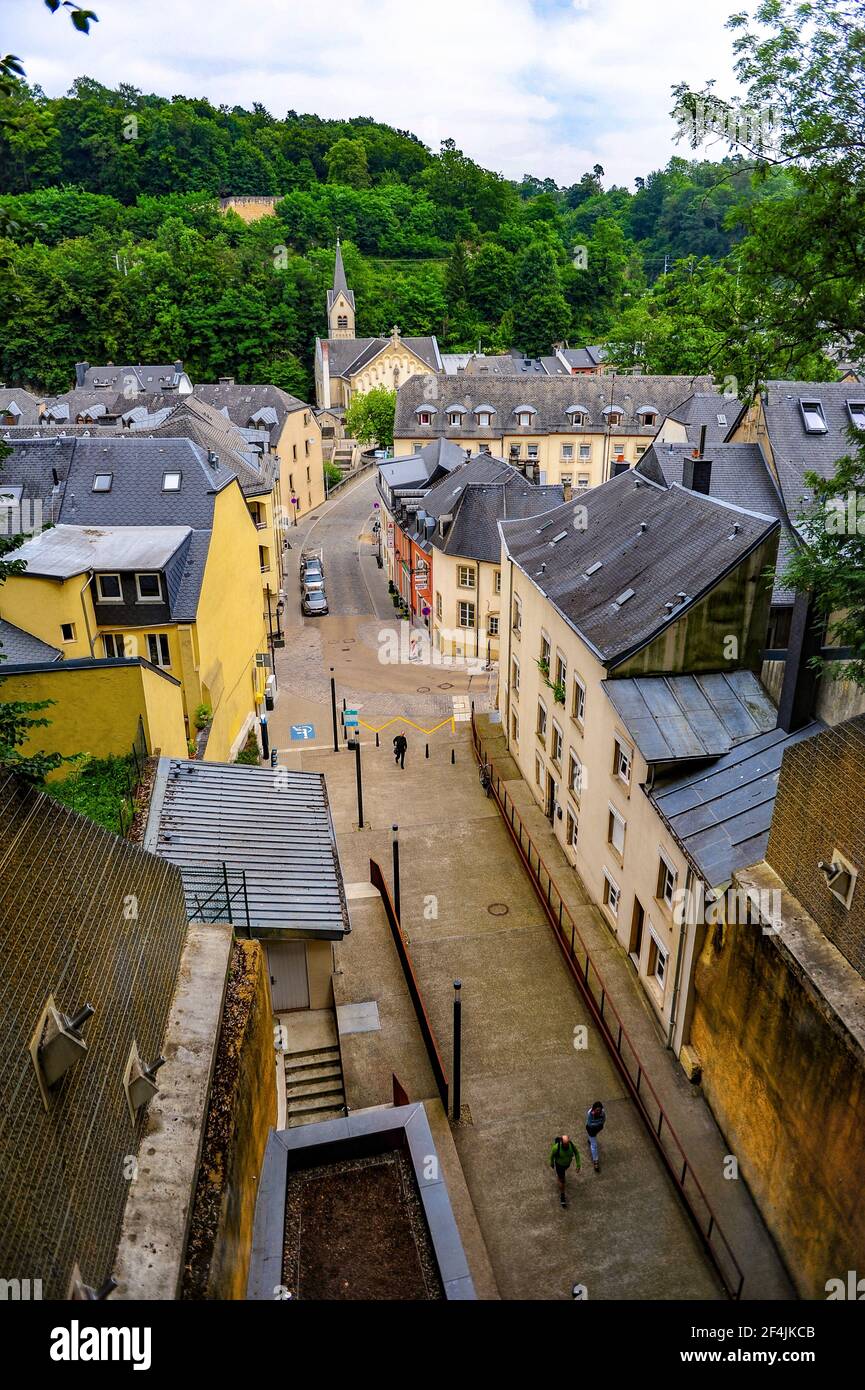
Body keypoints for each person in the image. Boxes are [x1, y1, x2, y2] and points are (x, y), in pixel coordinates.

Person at [549, 1133, 580, 1207]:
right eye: (565, 1144)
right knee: (562, 1180)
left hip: (567, 1165)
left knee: (562, 1177)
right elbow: (552, 1156)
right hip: (559, 1166)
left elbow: (576, 1153)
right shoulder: (556, 1148)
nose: (567, 1145)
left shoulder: (571, 1145)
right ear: (561, 1142)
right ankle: (562, 1196)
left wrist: (578, 1164)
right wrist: (552, 1163)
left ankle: (560, 1177)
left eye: (567, 1143)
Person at [585, 1100, 606, 1173]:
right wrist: (598, 1124)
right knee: (594, 1145)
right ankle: (595, 1161)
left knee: (592, 1139)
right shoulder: (590, 1113)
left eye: (599, 1110)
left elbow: (603, 1120)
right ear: (594, 1109)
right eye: (597, 1110)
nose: (598, 1111)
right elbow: (589, 1124)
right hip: (591, 1129)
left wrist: (599, 1125)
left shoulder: (602, 1112)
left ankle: (589, 1139)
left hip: (598, 1128)